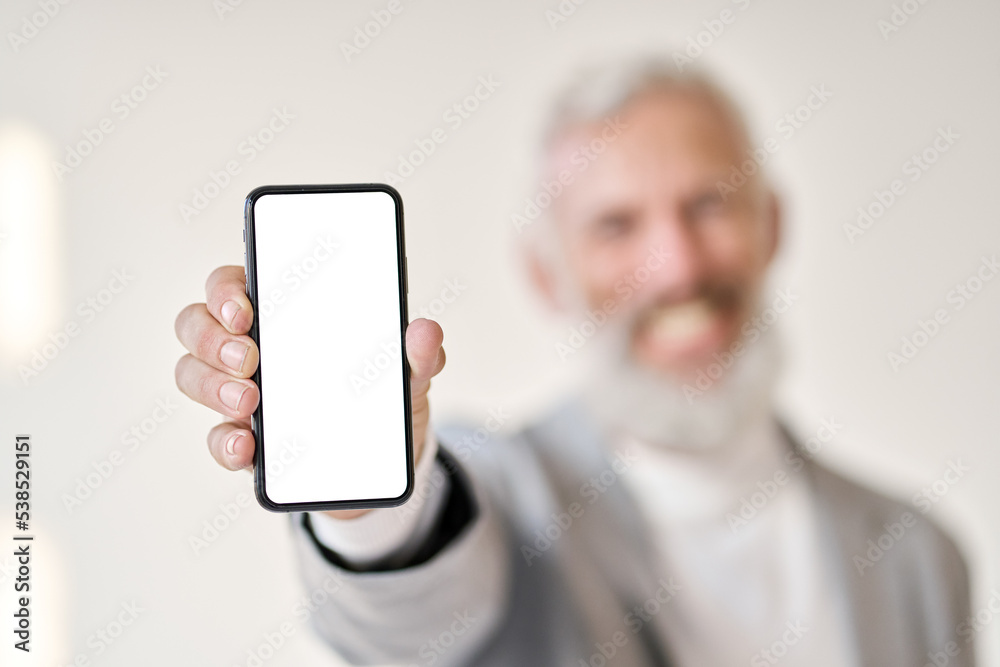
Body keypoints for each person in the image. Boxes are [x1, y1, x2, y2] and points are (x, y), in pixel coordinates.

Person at [174, 60, 973, 666]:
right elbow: (415, 616)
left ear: (772, 224)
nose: (677, 267)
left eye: (709, 205)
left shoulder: (918, 554)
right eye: (617, 225)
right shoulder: (504, 495)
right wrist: (367, 505)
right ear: (546, 275)